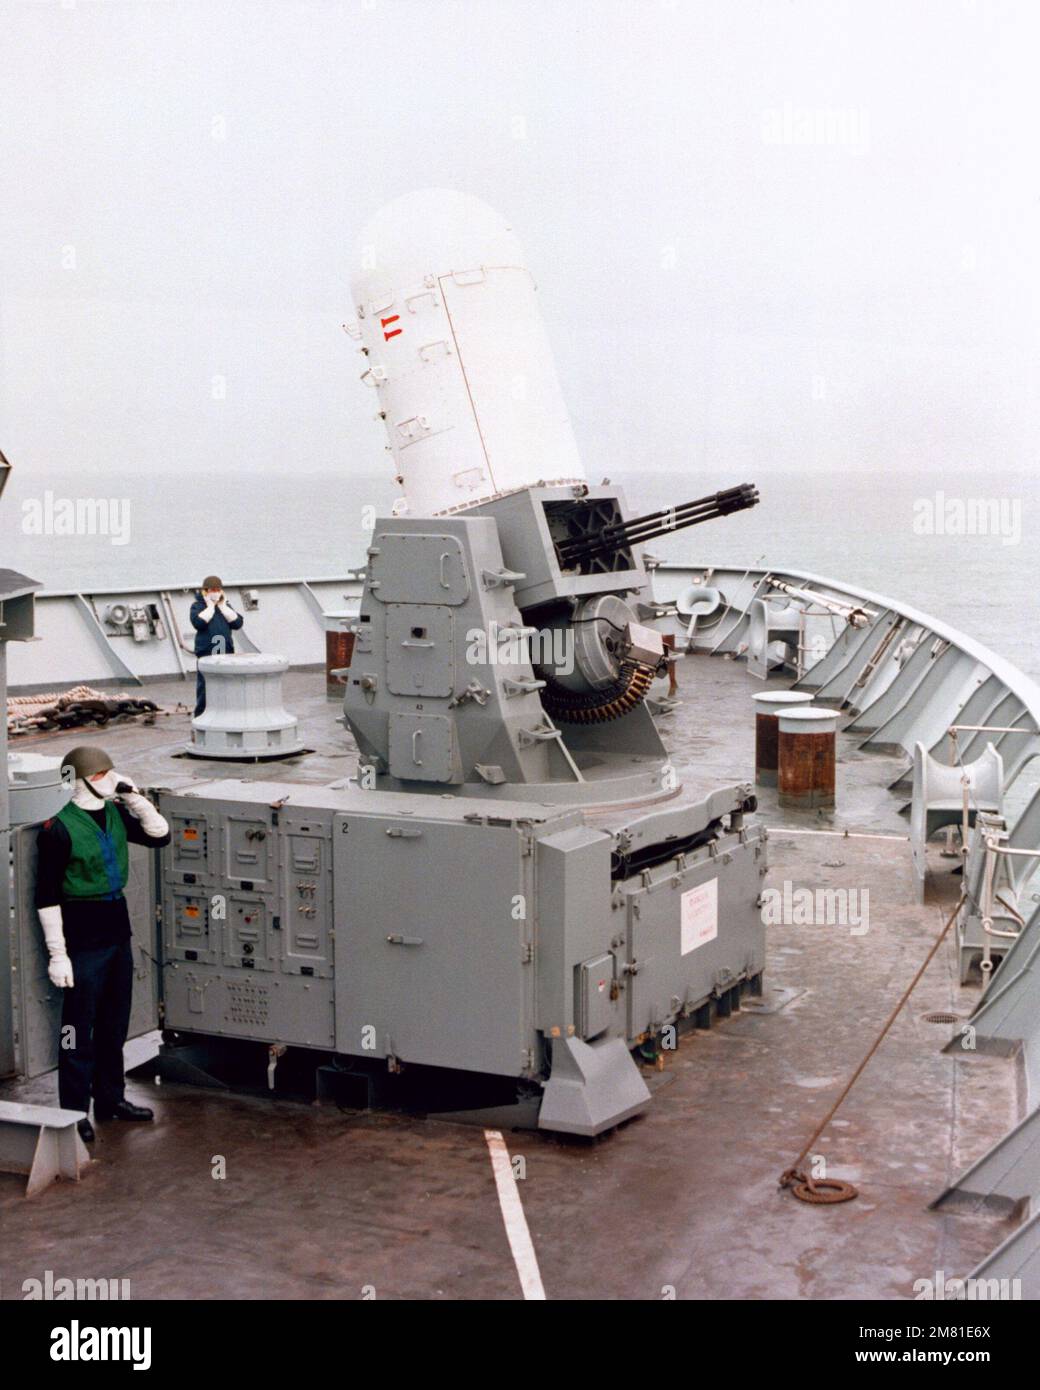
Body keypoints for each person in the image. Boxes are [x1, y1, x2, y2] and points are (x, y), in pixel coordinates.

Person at [35, 746, 171, 1144]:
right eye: (99, 776)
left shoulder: (113, 813)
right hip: (81, 935)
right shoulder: (57, 829)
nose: (106, 780)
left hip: (116, 929)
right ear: (77, 782)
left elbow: (159, 836)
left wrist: (134, 798)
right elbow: (46, 896)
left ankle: (111, 1099)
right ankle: (73, 1113)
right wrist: (58, 954)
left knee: (114, 1024)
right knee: (76, 1031)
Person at [189, 575, 244, 716]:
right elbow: (199, 623)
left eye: (218, 589)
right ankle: (201, 714)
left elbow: (237, 623)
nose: (216, 592)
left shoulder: (225, 606)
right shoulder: (197, 606)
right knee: (205, 686)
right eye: (213, 589)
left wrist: (223, 607)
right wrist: (210, 607)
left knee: (227, 684)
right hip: (207, 653)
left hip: (225, 652)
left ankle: (226, 712)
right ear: (206, 591)